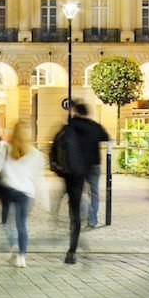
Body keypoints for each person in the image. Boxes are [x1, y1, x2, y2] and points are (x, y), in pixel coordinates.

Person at [51, 102, 109, 264]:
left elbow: (55, 147)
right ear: (87, 113)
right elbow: (106, 138)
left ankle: (72, 252)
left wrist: (58, 169)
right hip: (92, 167)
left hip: (73, 173)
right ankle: (92, 219)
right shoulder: (94, 126)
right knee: (95, 192)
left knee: (74, 210)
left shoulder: (69, 126)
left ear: (75, 112)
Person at [0, 120, 43, 268]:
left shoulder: (6, 149)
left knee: (7, 222)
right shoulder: (35, 154)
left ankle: (12, 244)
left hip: (9, 190)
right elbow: (37, 176)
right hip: (26, 193)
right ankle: (22, 257)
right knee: (22, 224)